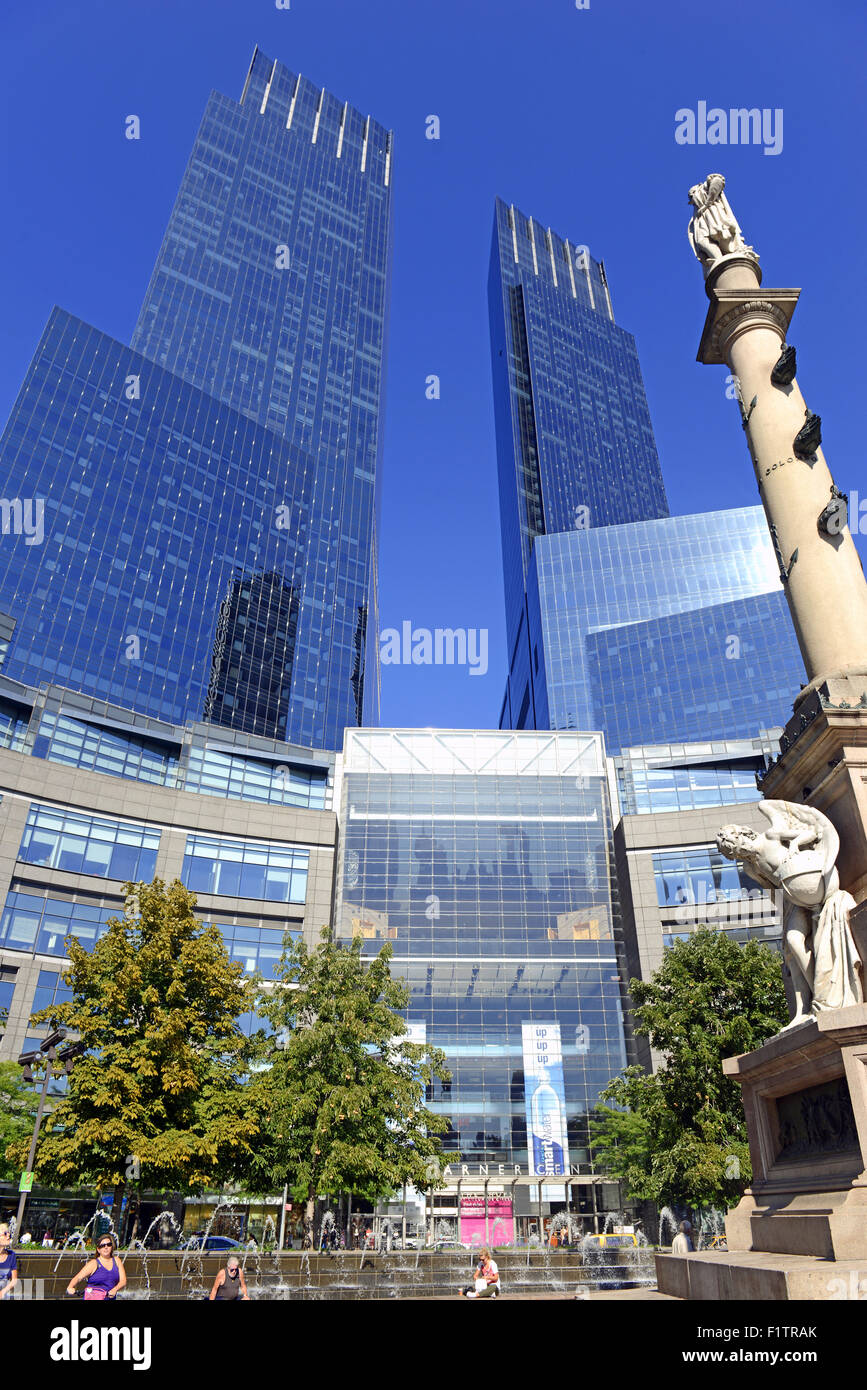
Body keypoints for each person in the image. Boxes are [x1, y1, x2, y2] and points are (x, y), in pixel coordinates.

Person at [66, 1235, 127, 1300]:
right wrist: (70, 1287)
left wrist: (115, 1289)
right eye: (102, 1246)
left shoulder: (117, 1261)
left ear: (111, 1247)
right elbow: (78, 1278)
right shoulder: (94, 1263)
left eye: (108, 1244)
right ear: (98, 1249)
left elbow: (123, 1281)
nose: (106, 1247)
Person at [0, 1224, 19, 1301]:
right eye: (5, 1233)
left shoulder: (11, 1255)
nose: (8, 1236)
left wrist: (3, 1292)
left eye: (8, 1233)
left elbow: (14, 1280)